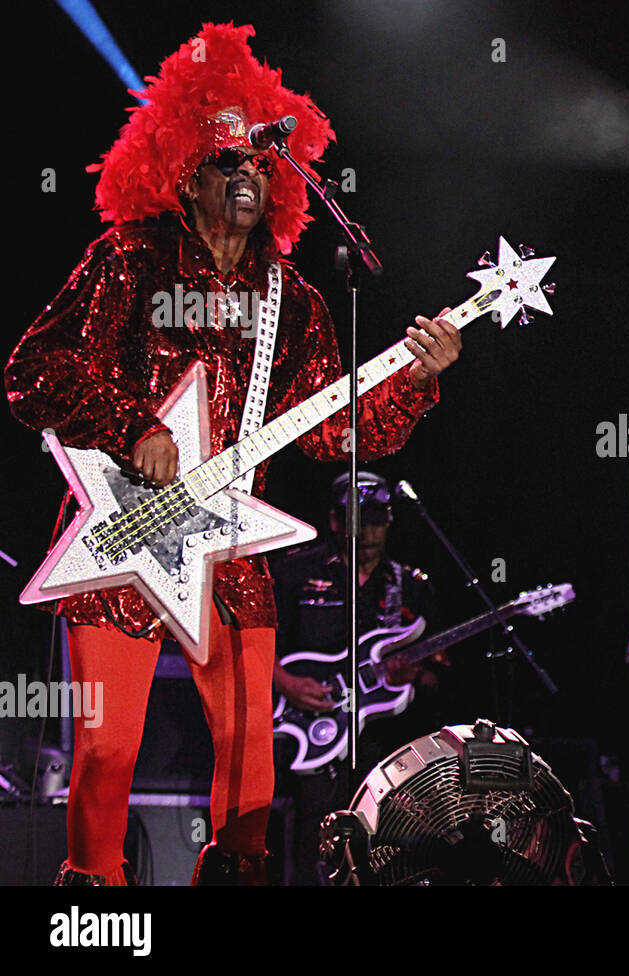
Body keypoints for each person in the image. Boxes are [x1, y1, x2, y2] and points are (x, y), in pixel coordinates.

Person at [5, 24, 462, 885]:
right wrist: (127, 420)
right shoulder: (128, 260)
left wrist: (416, 378)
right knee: (108, 756)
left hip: (227, 541)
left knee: (253, 760)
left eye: (258, 163)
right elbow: (33, 370)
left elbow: (337, 431)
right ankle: (97, 912)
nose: (246, 174)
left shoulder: (294, 297)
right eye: (227, 162)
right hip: (117, 536)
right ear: (184, 174)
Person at [271, 471, 448, 885]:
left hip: (383, 741)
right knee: (312, 841)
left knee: (384, 844)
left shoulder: (409, 586)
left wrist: (415, 674)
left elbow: (441, 675)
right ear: (335, 520)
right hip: (307, 730)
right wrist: (284, 683)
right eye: (356, 519)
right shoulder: (297, 572)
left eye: (376, 519)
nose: (367, 531)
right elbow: (253, 644)